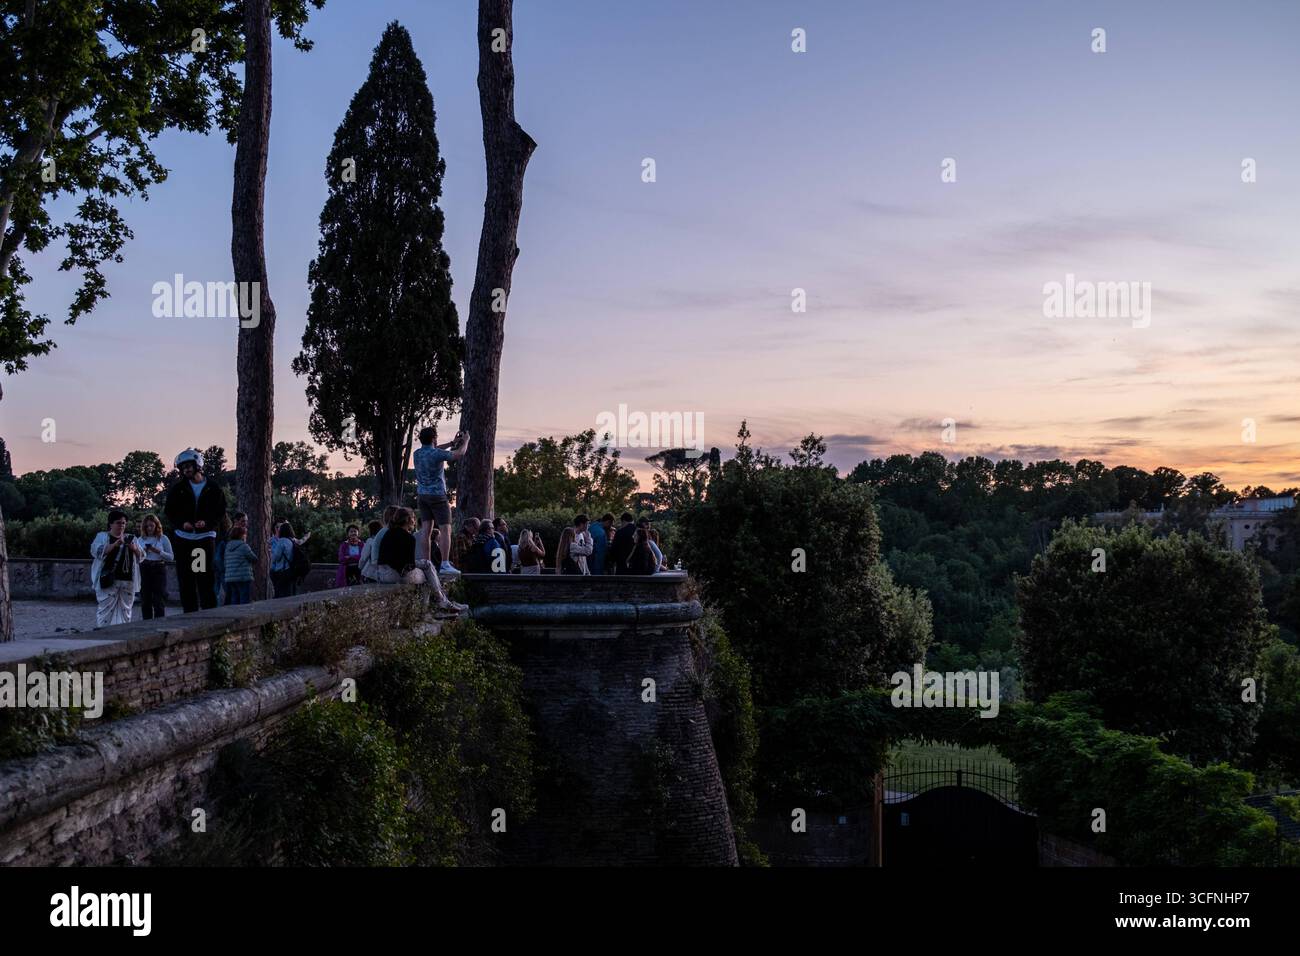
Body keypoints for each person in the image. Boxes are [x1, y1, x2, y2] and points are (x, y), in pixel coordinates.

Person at [164, 447, 227, 612]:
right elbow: (170, 512)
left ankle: (209, 612)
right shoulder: (178, 489)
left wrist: (207, 523)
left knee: (204, 576)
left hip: (204, 538)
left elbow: (220, 512)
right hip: (184, 538)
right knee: (186, 578)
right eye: (183, 467)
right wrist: (181, 523)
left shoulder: (213, 488)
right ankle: (189, 613)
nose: (186, 469)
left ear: (197, 464)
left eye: (188, 466)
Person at [376, 507, 466, 612]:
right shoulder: (408, 538)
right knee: (427, 572)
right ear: (408, 520)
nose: (414, 521)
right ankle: (439, 603)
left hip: (381, 574)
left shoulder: (388, 533)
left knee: (426, 567)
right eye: (413, 518)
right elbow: (407, 566)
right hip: (394, 575)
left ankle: (440, 603)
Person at [413, 426, 469, 577]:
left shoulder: (417, 453)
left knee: (426, 530)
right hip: (437, 496)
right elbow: (459, 454)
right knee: (445, 529)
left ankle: (426, 562)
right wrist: (465, 441)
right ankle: (444, 564)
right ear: (433, 438)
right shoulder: (436, 453)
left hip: (422, 495)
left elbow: (435, 449)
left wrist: (452, 442)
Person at [90, 511, 145, 627]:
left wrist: (134, 548)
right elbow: (96, 551)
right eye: (118, 523)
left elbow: (142, 556)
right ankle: (103, 632)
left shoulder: (132, 538)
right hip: (108, 578)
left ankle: (122, 634)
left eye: (124, 523)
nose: (122, 526)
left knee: (126, 610)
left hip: (127, 580)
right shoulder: (102, 536)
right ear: (111, 524)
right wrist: (115, 544)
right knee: (105, 609)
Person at [136, 514, 173, 619]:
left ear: (157, 526)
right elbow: (136, 557)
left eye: (152, 526)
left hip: (158, 568)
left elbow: (171, 557)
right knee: (145, 599)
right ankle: (146, 624)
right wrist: (144, 551)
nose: (149, 528)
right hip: (145, 568)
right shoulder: (140, 540)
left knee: (159, 600)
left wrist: (158, 551)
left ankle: (159, 624)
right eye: (147, 526)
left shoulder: (163, 538)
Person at [214, 511, 246, 605]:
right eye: (243, 521)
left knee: (218, 589)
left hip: (218, 562)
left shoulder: (223, 531)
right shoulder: (233, 532)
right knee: (230, 591)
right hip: (225, 565)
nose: (245, 523)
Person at [270, 522, 309, 598]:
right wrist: (307, 536)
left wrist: (272, 551)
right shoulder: (292, 541)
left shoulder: (282, 541)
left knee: (279, 593)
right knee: (289, 593)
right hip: (291, 570)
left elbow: (275, 557)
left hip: (281, 571)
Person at [222, 527, 258, 606]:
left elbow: (225, 562)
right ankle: (243, 616)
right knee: (244, 598)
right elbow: (254, 558)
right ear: (241, 535)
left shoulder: (228, 546)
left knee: (234, 598)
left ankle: (234, 615)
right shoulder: (244, 546)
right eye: (245, 534)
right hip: (243, 577)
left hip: (230, 577)